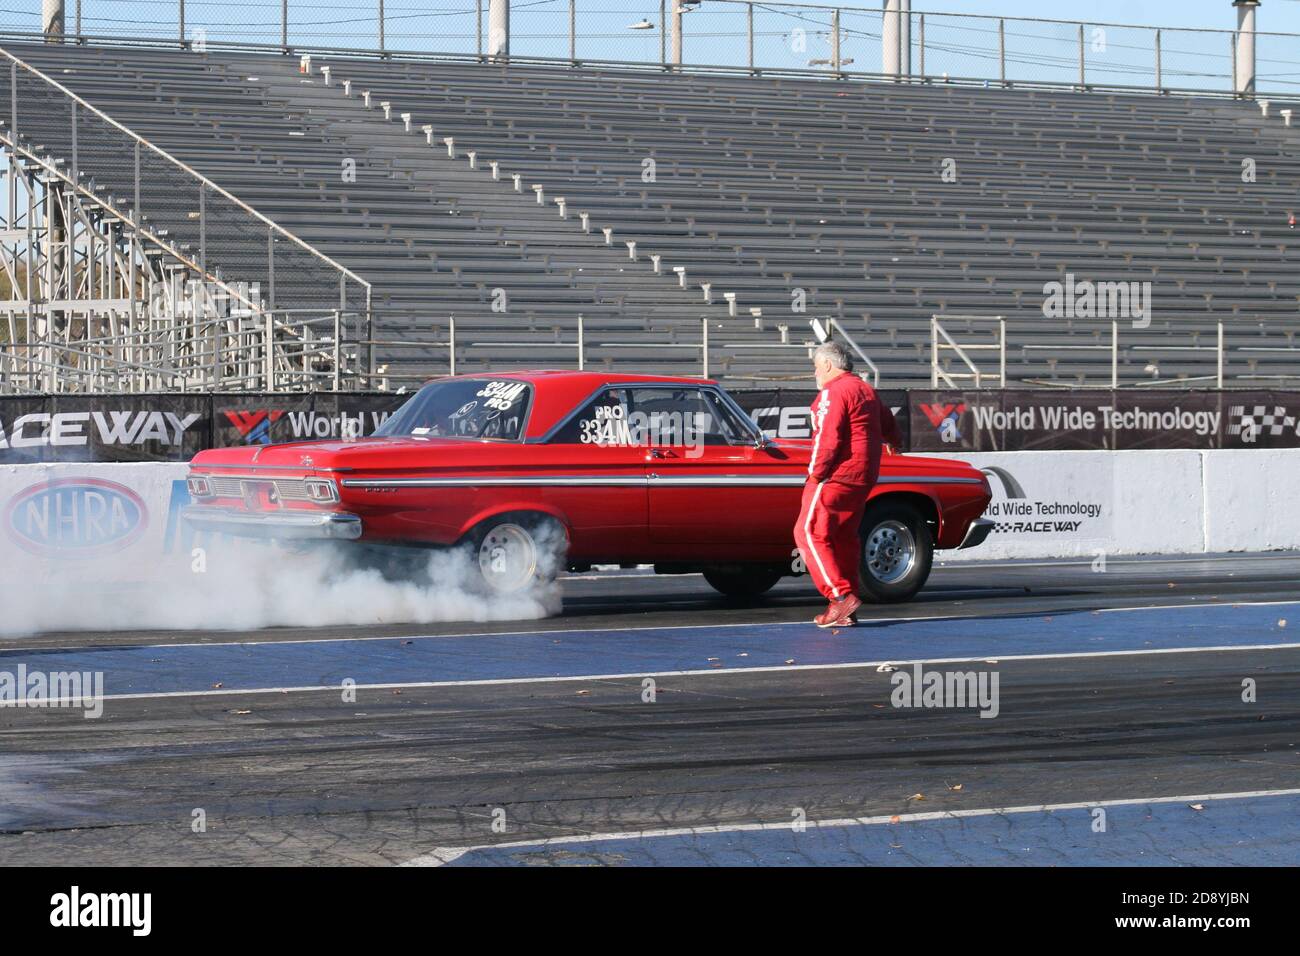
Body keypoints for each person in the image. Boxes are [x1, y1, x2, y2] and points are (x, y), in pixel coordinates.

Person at [793, 342, 903, 628]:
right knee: (843, 538)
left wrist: (815, 473)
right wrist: (894, 442)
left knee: (808, 533)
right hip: (864, 476)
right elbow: (888, 421)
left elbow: (827, 439)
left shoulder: (833, 391)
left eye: (816, 367)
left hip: (836, 475)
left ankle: (839, 597)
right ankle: (847, 605)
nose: (815, 373)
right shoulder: (865, 389)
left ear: (828, 365)